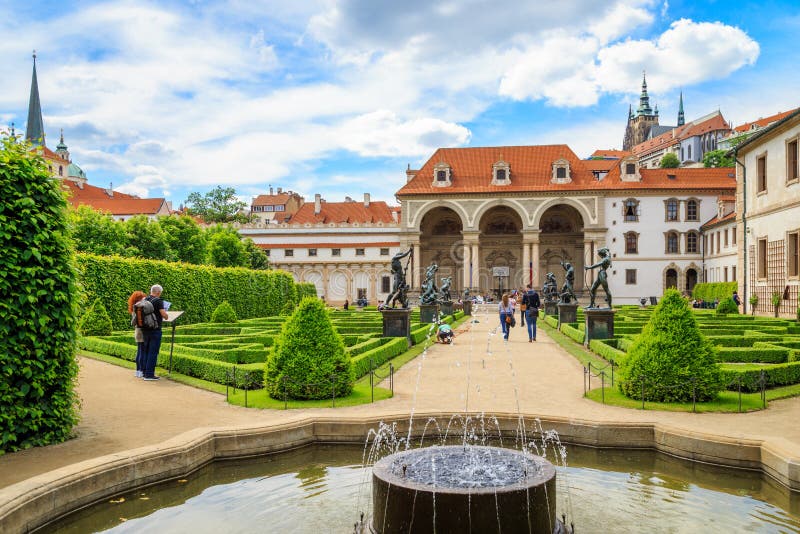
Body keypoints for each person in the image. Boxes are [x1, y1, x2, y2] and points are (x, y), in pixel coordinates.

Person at [141, 284, 169, 381]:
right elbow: (164, 315)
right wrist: (166, 315)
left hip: (144, 329)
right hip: (155, 330)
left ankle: (144, 372)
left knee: (146, 351)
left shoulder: (145, 299)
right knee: (153, 352)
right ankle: (149, 375)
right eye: (160, 293)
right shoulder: (158, 301)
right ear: (158, 292)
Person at [127, 290, 147, 377]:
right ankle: (141, 370)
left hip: (137, 331)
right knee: (142, 351)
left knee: (139, 350)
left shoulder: (134, 307)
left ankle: (138, 370)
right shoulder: (139, 307)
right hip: (141, 330)